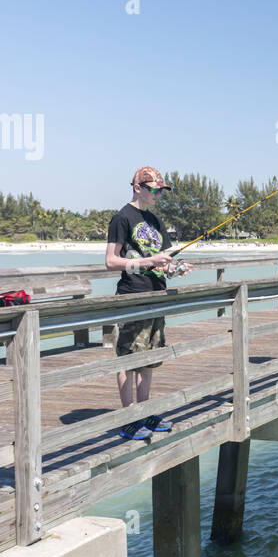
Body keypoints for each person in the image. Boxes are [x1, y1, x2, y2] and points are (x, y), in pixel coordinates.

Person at [105, 166, 177, 440]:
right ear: (138, 187)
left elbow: (164, 259)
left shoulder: (156, 220)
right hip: (132, 294)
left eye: (161, 190)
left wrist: (175, 268)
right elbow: (111, 261)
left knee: (149, 359)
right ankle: (128, 418)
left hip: (156, 294)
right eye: (154, 189)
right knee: (127, 358)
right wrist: (147, 262)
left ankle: (144, 412)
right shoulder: (122, 218)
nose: (159, 194)